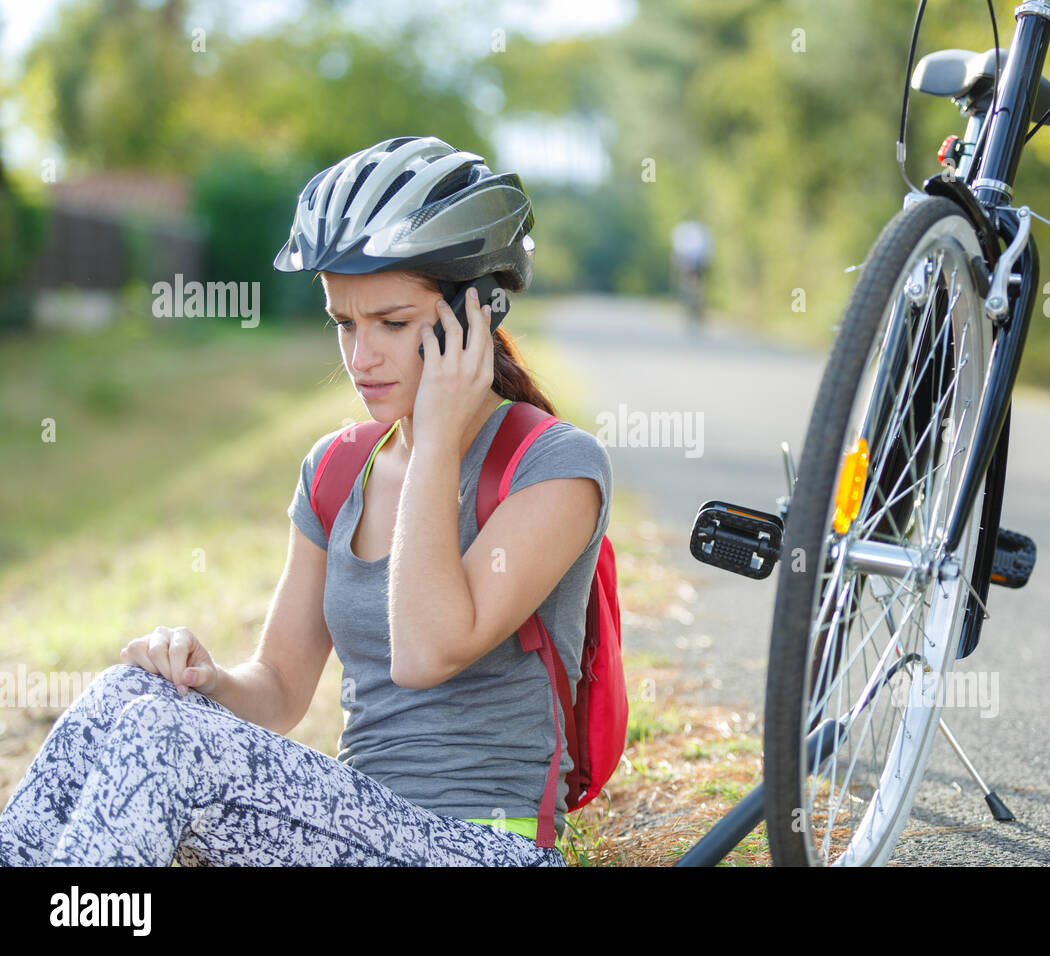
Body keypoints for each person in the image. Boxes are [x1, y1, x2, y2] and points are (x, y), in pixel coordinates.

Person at [0, 135, 613, 867]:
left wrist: (438, 441)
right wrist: (204, 681)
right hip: (359, 832)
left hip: (487, 845)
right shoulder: (336, 470)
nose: (361, 357)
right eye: (344, 324)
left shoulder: (556, 467)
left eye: (392, 323)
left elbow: (427, 650)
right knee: (125, 696)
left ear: (475, 316)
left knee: (167, 745)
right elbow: (283, 688)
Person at [669, 219, 714, 325]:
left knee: (689, 283)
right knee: (698, 285)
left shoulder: (682, 231)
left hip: (690, 261)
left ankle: (691, 306)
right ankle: (696, 307)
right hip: (698, 262)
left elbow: (677, 250)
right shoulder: (702, 230)